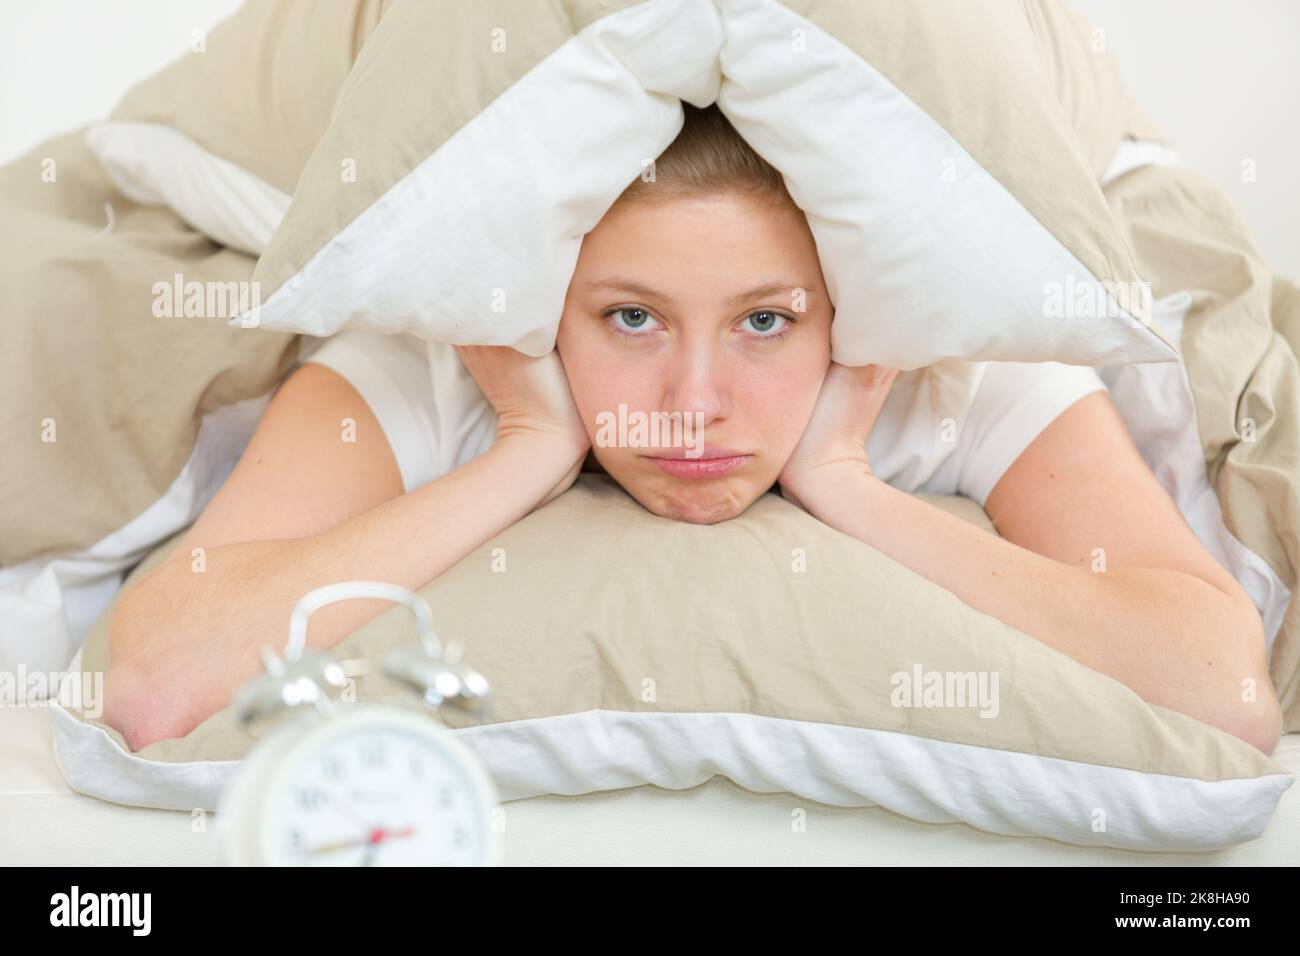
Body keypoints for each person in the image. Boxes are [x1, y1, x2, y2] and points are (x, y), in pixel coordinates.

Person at [103, 104, 1282, 756]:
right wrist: (525, 452)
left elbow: (1222, 688)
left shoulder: (947, 365)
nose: (692, 401)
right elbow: (151, 682)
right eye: (629, 317)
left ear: (850, 312)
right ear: (539, 302)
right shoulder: (446, 358)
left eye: (766, 320)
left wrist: (845, 482)